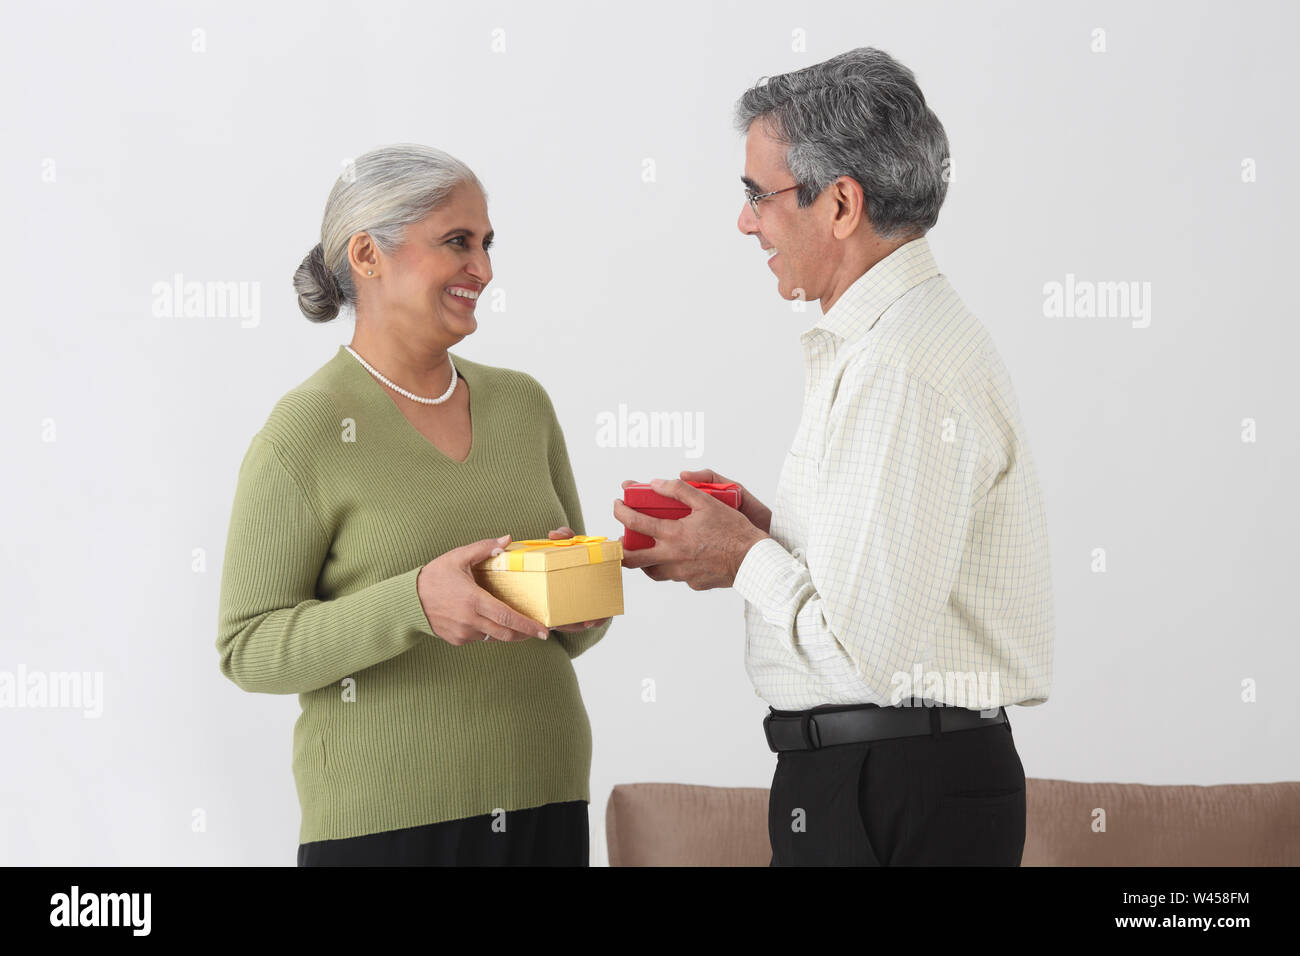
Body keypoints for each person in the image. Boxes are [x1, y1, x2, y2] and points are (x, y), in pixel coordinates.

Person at [613, 48, 1054, 866]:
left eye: (758, 195)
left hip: (889, 786)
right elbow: (884, 596)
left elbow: (865, 657)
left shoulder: (899, 366)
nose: (746, 221)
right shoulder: (896, 344)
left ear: (842, 202)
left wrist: (742, 557)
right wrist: (767, 540)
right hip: (891, 779)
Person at [216, 143, 611, 866]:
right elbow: (248, 649)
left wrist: (578, 600)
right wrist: (413, 603)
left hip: (548, 801)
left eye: (487, 244)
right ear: (367, 254)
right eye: (457, 242)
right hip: (387, 828)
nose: (484, 270)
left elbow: (572, 635)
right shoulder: (305, 430)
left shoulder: (522, 405)